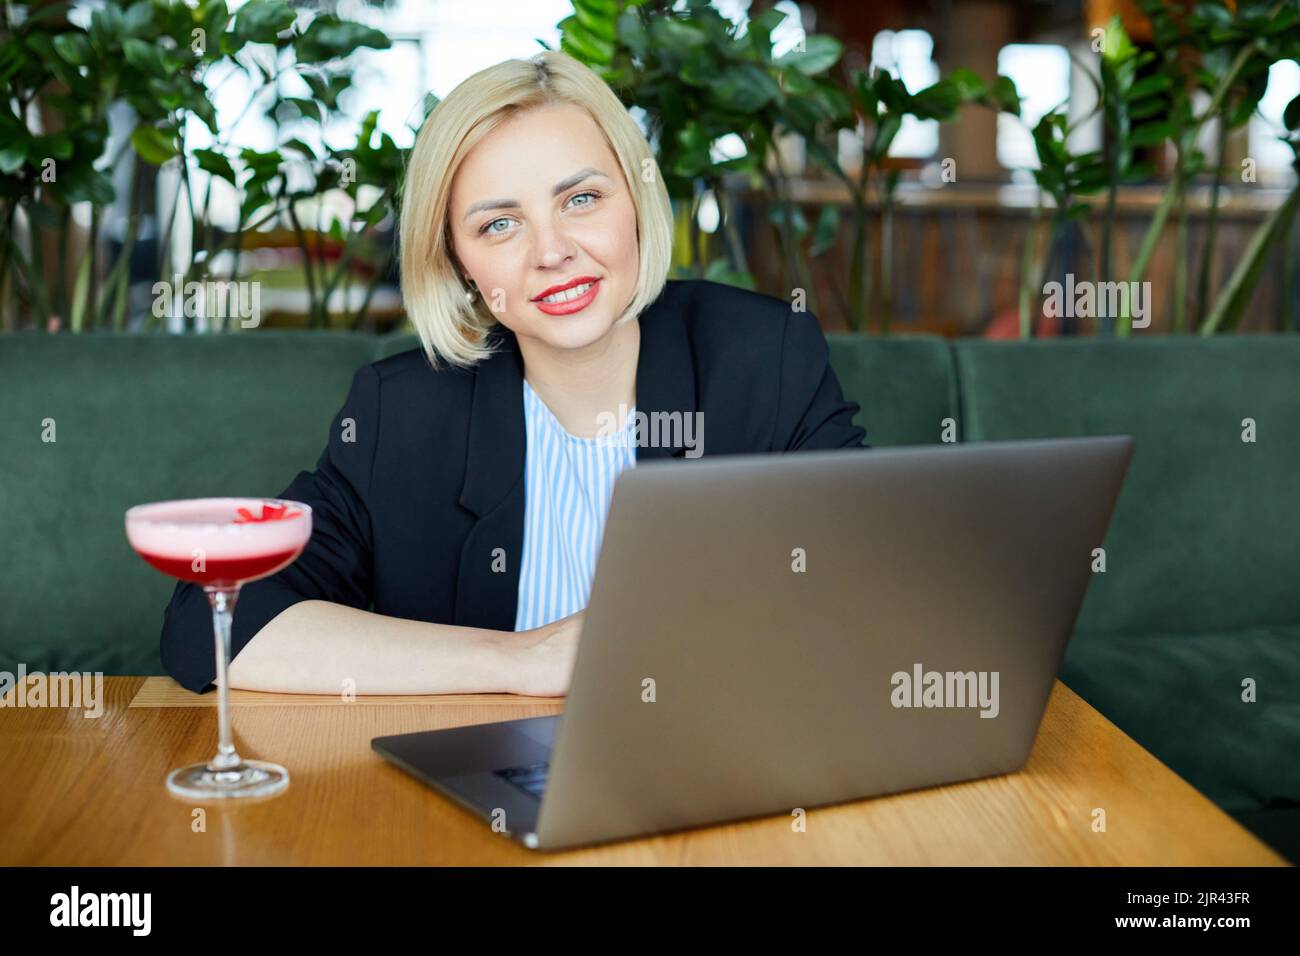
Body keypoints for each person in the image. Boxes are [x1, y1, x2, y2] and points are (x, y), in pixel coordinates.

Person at [160, 51, 867, 698]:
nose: (552, 251)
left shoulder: (763, 359)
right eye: (500, 224)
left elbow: (870, 593)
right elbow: (209, 624)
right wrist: (517, 661)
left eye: (581, 199)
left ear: (638, 202)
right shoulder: (401, 415)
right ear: (459, 264)